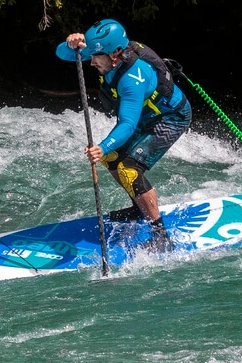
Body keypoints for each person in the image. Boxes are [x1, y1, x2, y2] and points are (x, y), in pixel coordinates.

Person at [56, 18, 192, 251]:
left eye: (95, 57)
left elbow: (127, 124)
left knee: (128, 169)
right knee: (112, 158)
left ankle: (160, 236)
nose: (91, 62)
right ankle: (138, 208)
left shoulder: (132, 78)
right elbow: (64, 54)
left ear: (115, 54)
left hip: (170, 117)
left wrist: (102, 146)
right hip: (145, 116)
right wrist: (71, 43)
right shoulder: (108, 54)